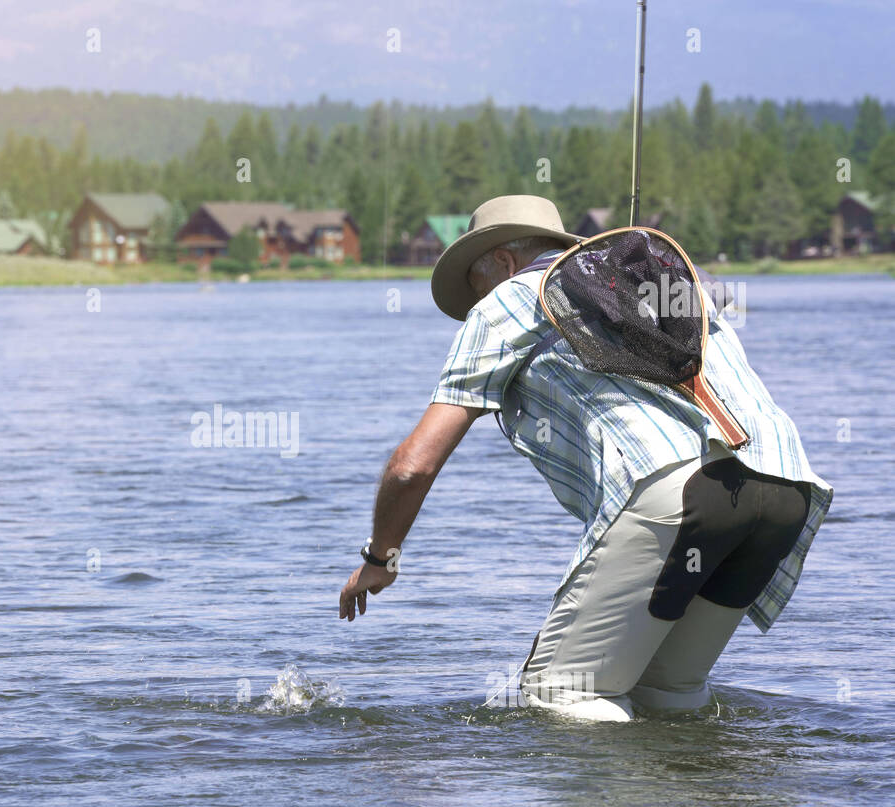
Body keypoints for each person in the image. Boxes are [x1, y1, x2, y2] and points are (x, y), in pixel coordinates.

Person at [337, 195, 832, 721]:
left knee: (560, 693)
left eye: (475, 286)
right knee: (666, 688)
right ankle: (699, 800)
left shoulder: (507, 300)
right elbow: (723, 299)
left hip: (680, 488)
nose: (475, 304)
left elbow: (413, 464)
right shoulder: (660, 284)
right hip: (783, 487)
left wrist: (378, 557)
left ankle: (630, 804)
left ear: (503, 263)